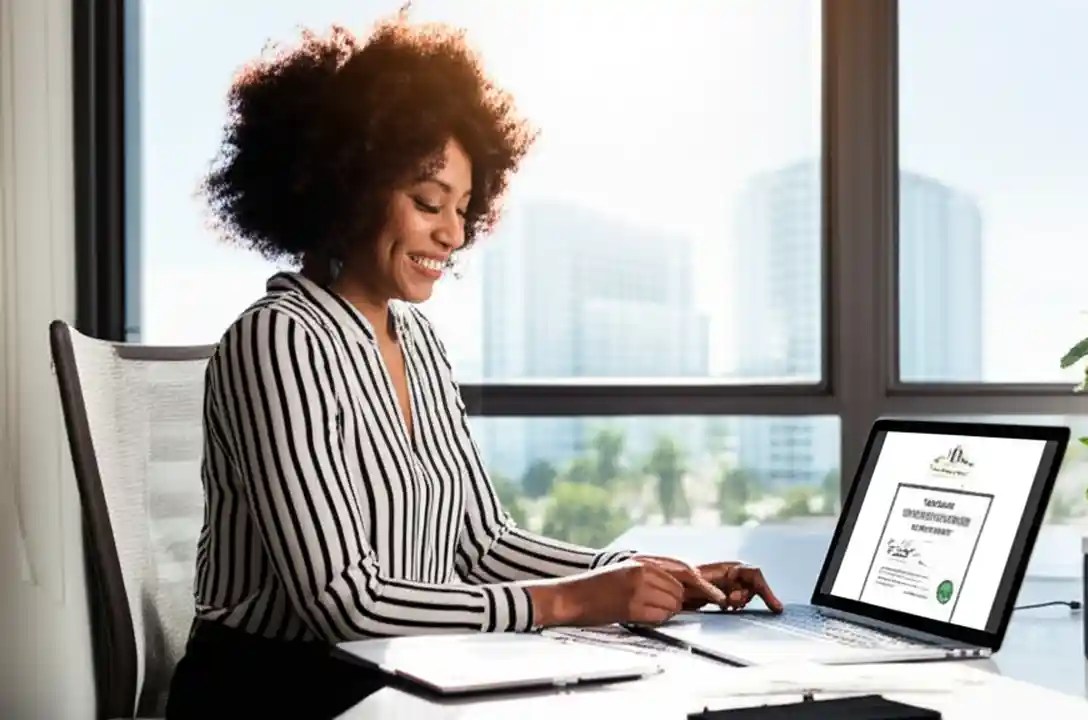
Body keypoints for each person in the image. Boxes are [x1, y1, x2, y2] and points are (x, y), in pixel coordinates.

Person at [165, 11, 781, 718]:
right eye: (429, 202)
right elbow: (345, 600)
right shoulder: (276, 341)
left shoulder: (417, 340)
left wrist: (639, 575)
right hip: (278, 691)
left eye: (463, 207)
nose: (453, 234)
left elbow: (481, 542)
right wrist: (574, 601)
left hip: (408, 670)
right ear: (344, 187)